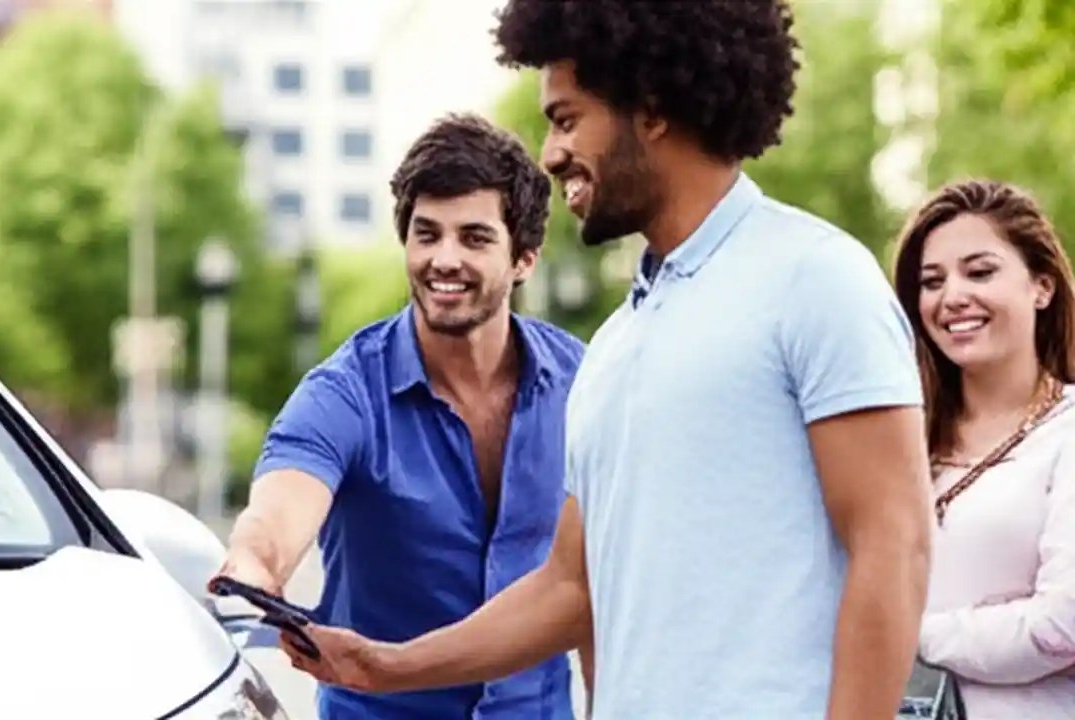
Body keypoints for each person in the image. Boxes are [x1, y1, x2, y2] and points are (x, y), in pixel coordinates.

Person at [276, 2, 934, 718]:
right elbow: (571, 586)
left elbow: (894, 546)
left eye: (566, 119)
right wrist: (387, 665)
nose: (551, 153)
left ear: (649, 110)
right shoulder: (617, 346)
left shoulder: (814, 278)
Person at [208, 112, 587, 719]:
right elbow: (280, 509)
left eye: (474, 237)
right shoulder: (345, 392)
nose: (444, 258)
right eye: (426, 233)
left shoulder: (585, 385)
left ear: (524, 260)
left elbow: (597, 581)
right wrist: (257, 559)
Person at [891, 179, 1075, 719]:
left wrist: (906, 632)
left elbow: (1060, 625)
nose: (952, 297)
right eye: (931, 281)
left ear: (1041, 286)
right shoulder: (899, 437)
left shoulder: (1066, 433)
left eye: (980, 271)